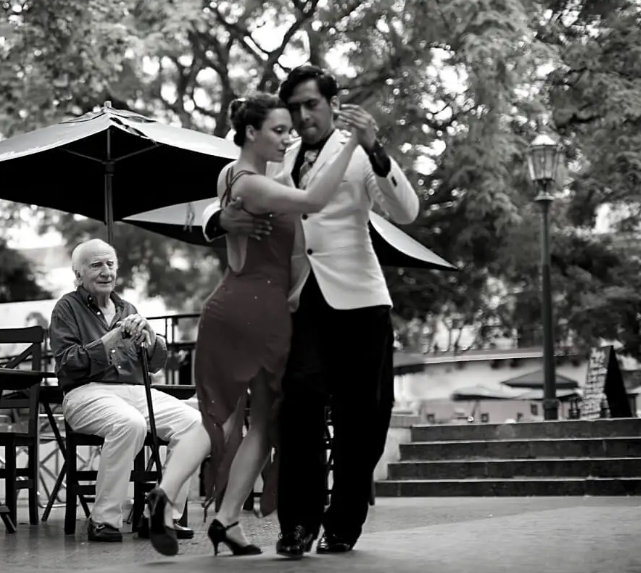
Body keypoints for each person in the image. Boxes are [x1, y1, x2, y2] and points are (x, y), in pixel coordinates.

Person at [201, 65, 419, 558]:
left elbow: (406, 211)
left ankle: (343, 523)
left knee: (362, 417)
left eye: (311, 105)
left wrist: (377, 150)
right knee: (296, 407)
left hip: (360, 300)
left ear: (332, 104)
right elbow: (236, 186)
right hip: (299, 301)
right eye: (294, 107)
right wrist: (219, 220)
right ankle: (298, 524)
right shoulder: (281, 153)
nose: (302, 116)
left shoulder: (358, 152)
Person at [146, 92, 365, 557]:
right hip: (261, 312)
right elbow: (314, 199)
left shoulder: (230, 175)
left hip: (228, 302)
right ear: (251, 132)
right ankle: (180, 498)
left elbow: (242, 221)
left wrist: (220, 220)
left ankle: (215, 516)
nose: (287, 139)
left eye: (289, 131)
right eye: (278, 131)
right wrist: (352, 143)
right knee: (258, 422)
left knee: (228, 419)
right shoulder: (256, 185)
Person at [50, 239, 201, 543]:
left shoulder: (127, 308)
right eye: (96, 265)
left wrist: (151, 336)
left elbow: (154, 364)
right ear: (78, 274)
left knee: (195, 424)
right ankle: (104, 520)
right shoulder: (66, 307)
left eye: (110, 264)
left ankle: (160, 517)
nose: (106, 271)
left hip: (133, 391)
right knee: (129, 423)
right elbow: (67, 364)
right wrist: (113, 336)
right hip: (84, 393)